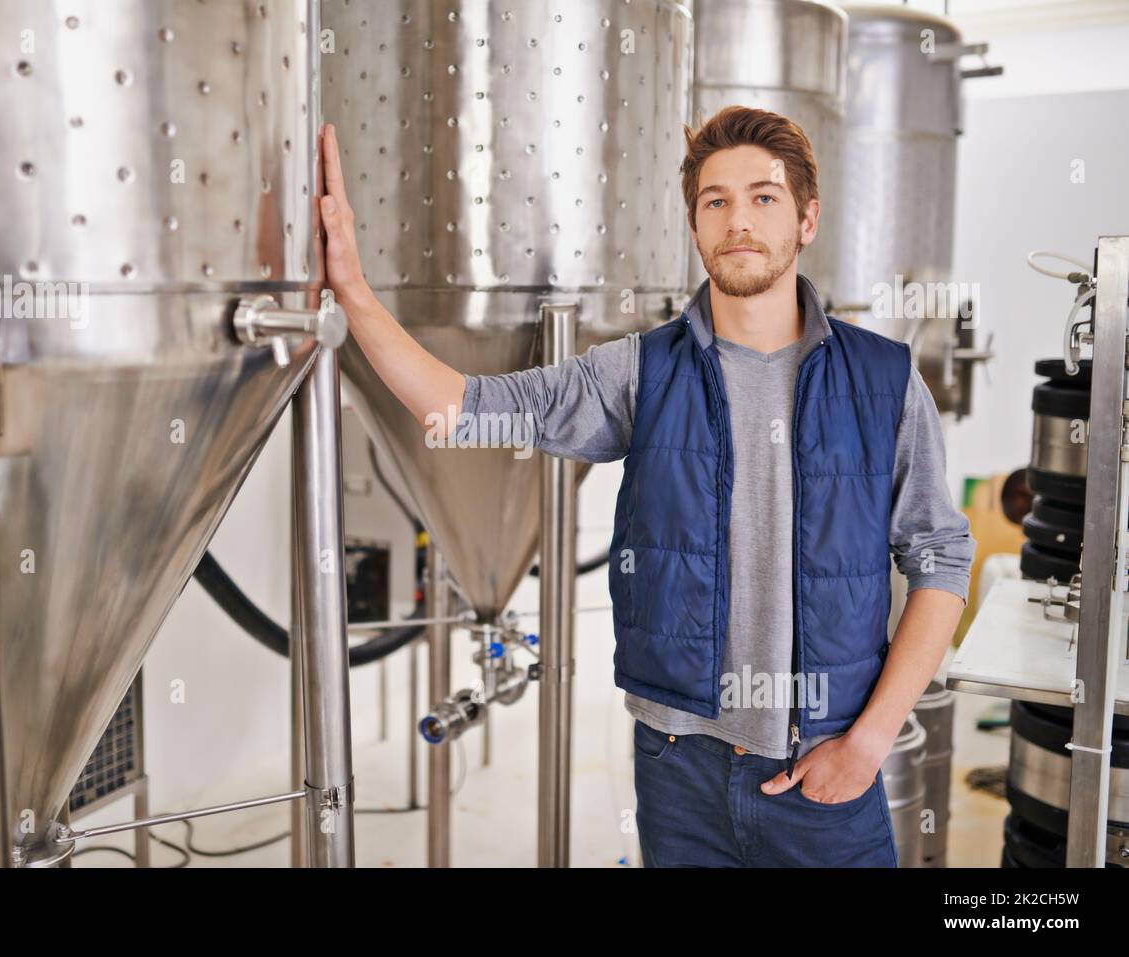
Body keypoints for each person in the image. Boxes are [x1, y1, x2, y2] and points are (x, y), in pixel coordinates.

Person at [317, 105, 976, 867]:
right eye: (715, 201)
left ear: (807, 218)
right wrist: (355, 293)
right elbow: (463, 411)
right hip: (678, 771)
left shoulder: (885, 380)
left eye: (764, 197)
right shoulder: (640, 371)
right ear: (695, 227)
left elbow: (941, 561)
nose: (739, 220)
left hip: (825, 769)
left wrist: (867, 744)